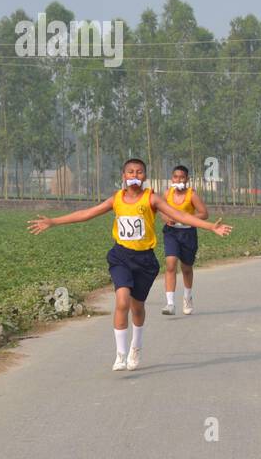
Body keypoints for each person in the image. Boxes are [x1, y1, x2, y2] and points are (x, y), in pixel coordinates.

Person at [27, 158, 233, 372]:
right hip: (121, 257)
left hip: (145, 261)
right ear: (124, 176)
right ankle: (120, 354)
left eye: (140, 172)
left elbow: (180, 215)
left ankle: (136, 346)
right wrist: (53, 221)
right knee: (122, 301)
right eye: (131, 172)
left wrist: (210, 227)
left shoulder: (152, 199)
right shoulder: (116, 199)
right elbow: (87, 214)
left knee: (137, 308)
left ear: (145, 176)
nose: (135, 175)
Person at [161, 164, 207, 316]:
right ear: (171, 178)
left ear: (187, 179)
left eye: (182, 177)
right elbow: (162, 212)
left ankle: (187, 297)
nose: (178, 179)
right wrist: (167, 218)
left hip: (188, 234)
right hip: (171, 233)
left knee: (186, 268)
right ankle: (170, 303)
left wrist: (187, 219)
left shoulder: (192, 195)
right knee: (170, 263)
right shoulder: (167, 194)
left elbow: (204, 214)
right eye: (175, 177)